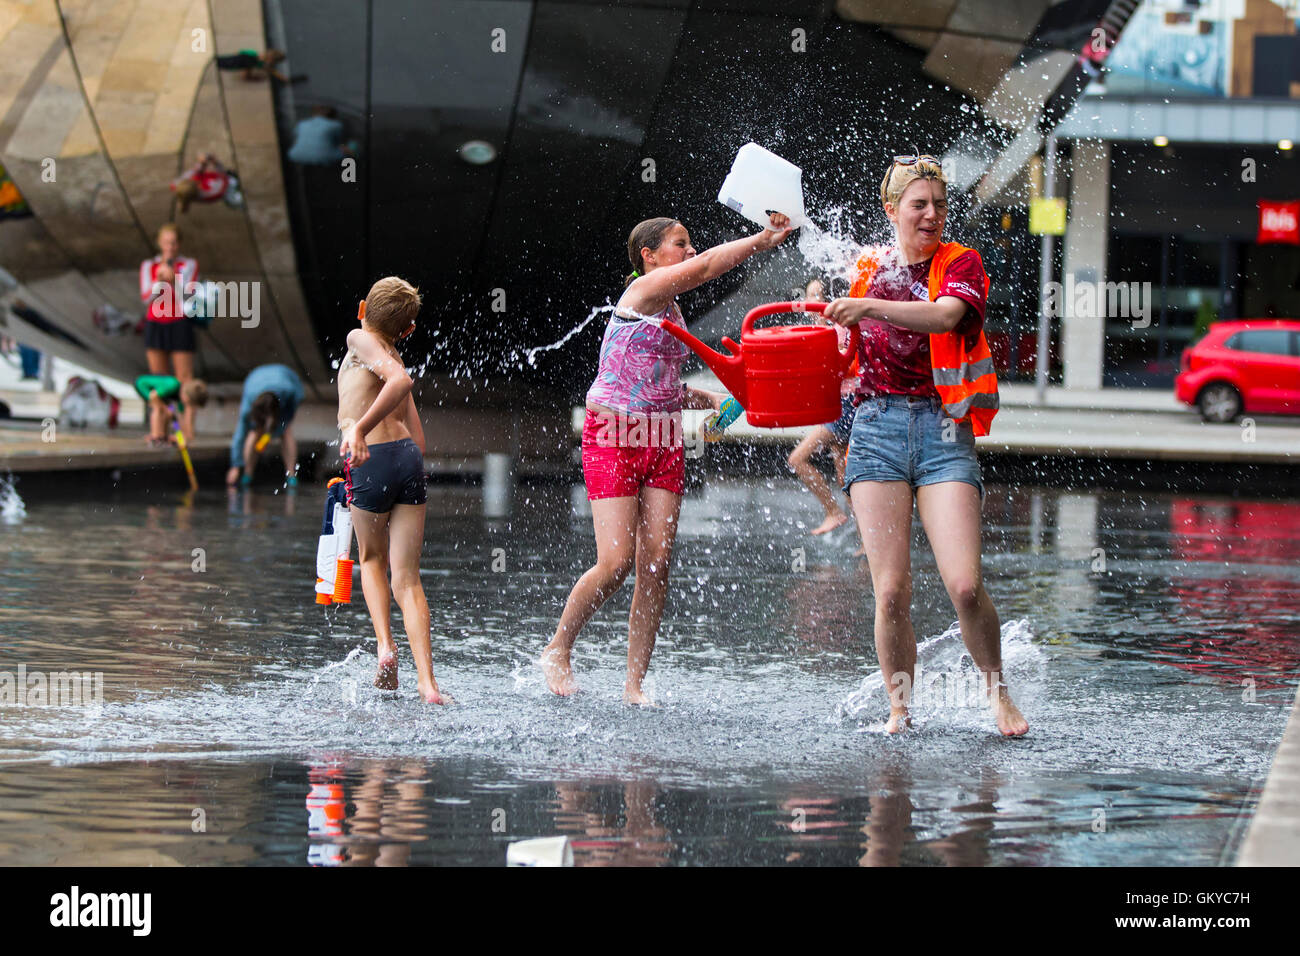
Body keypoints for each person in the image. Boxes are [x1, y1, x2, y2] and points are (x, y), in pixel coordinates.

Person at [540, 213, 793, 705]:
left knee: (656, 564)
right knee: (616, 563)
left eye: (692, 243)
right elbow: (705, 270)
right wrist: (763, 240)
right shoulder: (642, 293)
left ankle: (633, 685)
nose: (691, 251)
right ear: (649, 257)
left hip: (662, 438)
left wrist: (704, 398)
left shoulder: (670, 311)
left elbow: (652, 379)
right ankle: (558, 647)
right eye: (682, 244)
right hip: (613, 433)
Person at [825, 154, 1028, 737]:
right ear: (892, 211)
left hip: (944, 433)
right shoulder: (868, 269)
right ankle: (900, 709)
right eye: (919, 204)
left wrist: (866, 307)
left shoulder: (961, 261)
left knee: (964, 584)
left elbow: (943, 319)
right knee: (890, 592)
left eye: (939, 203)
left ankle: (998, 693)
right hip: (877, 432)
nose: (932, 214)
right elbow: (836, 349)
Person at [337, 277, 448, 705]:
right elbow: (418, 440)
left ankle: (385, 648)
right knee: (408, 580)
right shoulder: (394, 351)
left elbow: (400, 382)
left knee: (371, 559)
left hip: (371, 459)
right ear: (407, 330)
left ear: (362, 307)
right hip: (406, 460)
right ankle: (428, 684)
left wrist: (360, 430)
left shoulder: (357, 337)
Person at [785, 276, 859, 536]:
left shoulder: (835, 331)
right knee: (845, 478)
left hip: (846, 407)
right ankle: (868, 541)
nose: (807, 302)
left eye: (814, 296)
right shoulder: (839, 328)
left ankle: (834, 512)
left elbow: (833, 368)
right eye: (807, 295)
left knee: (798, 459)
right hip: (841, 404)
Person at [225, 364, 305, 487]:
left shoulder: (289, 391)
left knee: (286, 431)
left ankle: (291, 474)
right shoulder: (248, 405)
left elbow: (296, 403)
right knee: (254, 432)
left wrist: (274, 430)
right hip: (256, 377)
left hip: (285, 375)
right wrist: (235, 465)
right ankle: (247, 473)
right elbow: (240, 435)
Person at [139, 223, 198, 381]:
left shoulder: (188, 265)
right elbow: (146, 298)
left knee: (184, 377)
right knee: (160, 379)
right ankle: (167, 407)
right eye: (166, 242)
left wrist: (174, 281)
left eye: (173, 242)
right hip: (155, 322)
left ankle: (185, 406)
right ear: (159, 243)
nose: (170, 247)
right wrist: (158, 281)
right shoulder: (149, 265)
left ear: (179, 244)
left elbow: (188, 298)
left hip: (179, 321)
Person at [134, 373, 208, 447]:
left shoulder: (181, 400)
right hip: (143, 385)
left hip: (157, 394)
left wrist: (182, 437)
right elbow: (154, 396)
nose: (188, 406)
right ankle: (155, 437)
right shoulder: (174, 385)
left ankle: (164, 437)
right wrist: (164, 407)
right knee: (159, 408)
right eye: (190, 403)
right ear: (187, 397)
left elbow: (178, 419)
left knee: (169, 413)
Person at [287, 107, 353, 166]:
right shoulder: (336, 125)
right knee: (353, 146)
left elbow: (295, 139)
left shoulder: (302, 124)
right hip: (325, 157)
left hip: (295, 155)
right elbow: (338, 143)